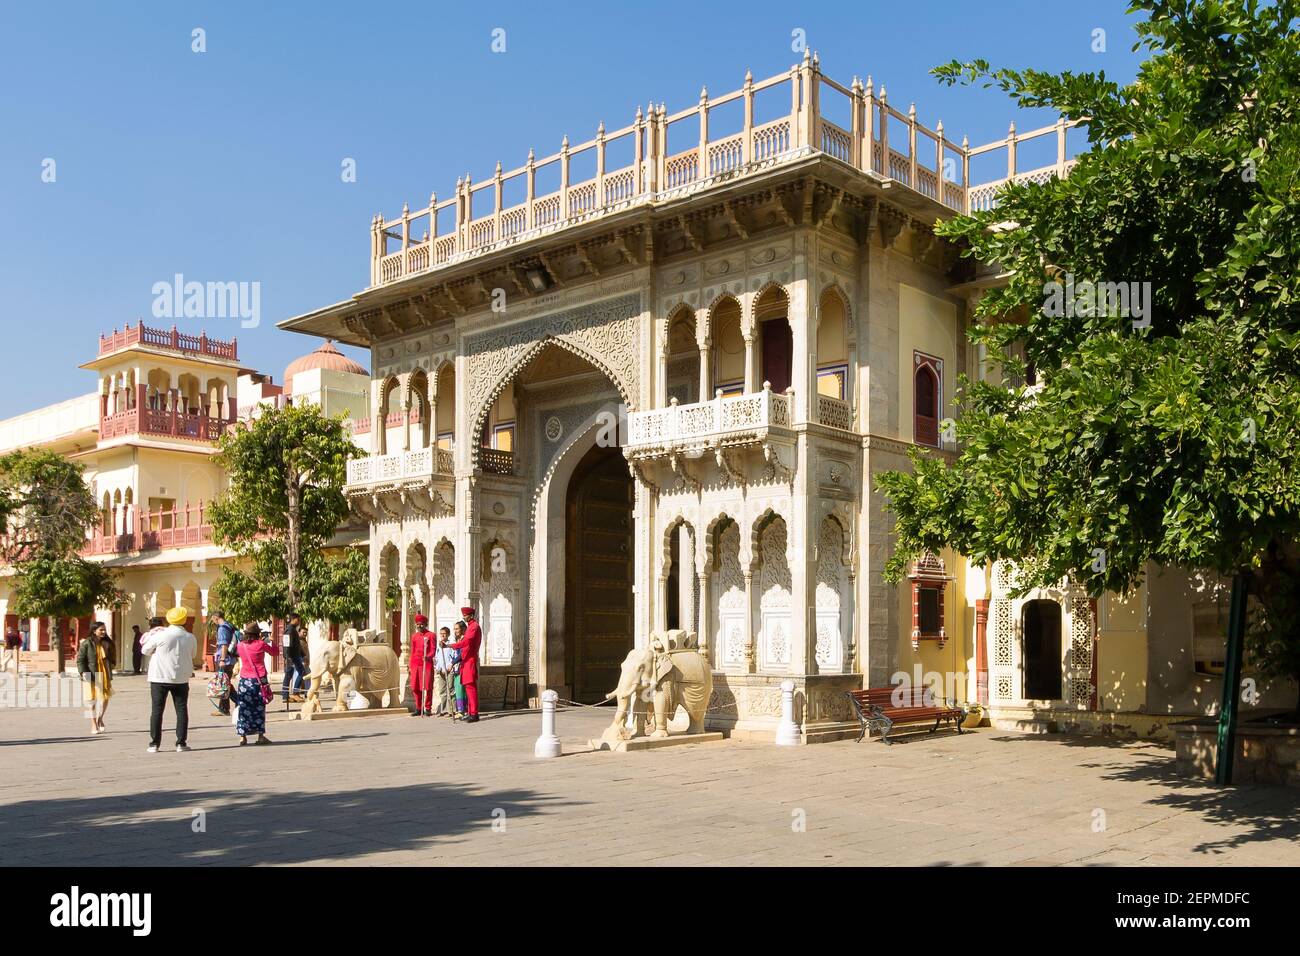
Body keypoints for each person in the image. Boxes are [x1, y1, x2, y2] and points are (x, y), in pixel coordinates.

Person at [141, 608, 197, 753]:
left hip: (159, 676)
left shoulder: (161, 635)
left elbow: (145, 650)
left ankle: (154, 744)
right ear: (184, 620)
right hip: (181, 678)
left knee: (157, 711)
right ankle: (181, 743)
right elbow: (193, 654)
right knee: (181, 709)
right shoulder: (190, 637)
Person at [234, 622, 274, 745]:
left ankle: (243, 736)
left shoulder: (240, 645)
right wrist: (271, 641)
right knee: (259, 707)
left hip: (245, 679)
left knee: (244, 706)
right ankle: (260, 736)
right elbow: (275, 652)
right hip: (259, 679)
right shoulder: (261, 644)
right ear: (258, 634)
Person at [76, 622, 114, 735]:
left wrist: (111, 665)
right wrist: (83, 672)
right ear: (94, 631)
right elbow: (81, 659)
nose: (103, 632)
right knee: (90, 700)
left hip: (104, 673)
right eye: (101, 630)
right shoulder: (87, 643)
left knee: (105, 698)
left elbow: (112, 656)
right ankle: (93, 723)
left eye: (104, 630)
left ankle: (100, 718)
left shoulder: (107, 643)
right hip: (90, 673)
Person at [445, 607, 482, 722]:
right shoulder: (471, 627)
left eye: (465, 616)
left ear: (470, 615)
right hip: (466, 661)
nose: (464, 617)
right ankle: (470, 711)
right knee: (468, 688)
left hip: (470, 660)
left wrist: (450, 646)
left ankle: (474, 713)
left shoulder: (474, 627)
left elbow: (466, 642)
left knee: (471, 688)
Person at [408, 614, 436, 717]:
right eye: (418, 624)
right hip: (416, 664)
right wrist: (410, 665)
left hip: (426, 664)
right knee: (416, 687)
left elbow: (433, 650)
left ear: (425, 624)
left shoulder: (431, 635)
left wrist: (428, 657)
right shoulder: (414, 636)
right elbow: (412, 651)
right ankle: (419, 708)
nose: (419, 626)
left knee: (427, 687)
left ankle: (428, 708)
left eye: (421, 624)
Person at [281, 613, 309, 704]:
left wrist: (303, 654)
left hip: (296, 656)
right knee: (293, 674)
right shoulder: (289, 630)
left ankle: (288, 695)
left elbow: (296, 645)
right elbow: (286, 645)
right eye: (298, 620)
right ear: (294, 619)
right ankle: (292, 694)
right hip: (291, 657)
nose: (299, 622)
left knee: (295, 674)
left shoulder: (293, 630)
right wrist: (287, 657)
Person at [432, 626, 457, 717]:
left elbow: (453, 657)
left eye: (444, 634)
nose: (442, 635)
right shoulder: (439, 646)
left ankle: (452, 710)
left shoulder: (450, 645)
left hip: (448, 670)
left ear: (448, 635)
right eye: (441, 634)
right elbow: (437, 657)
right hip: (441, 671)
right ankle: (443, 710)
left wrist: (449, 666)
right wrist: (437, 667)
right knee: (442, 691)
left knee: (450, 690)